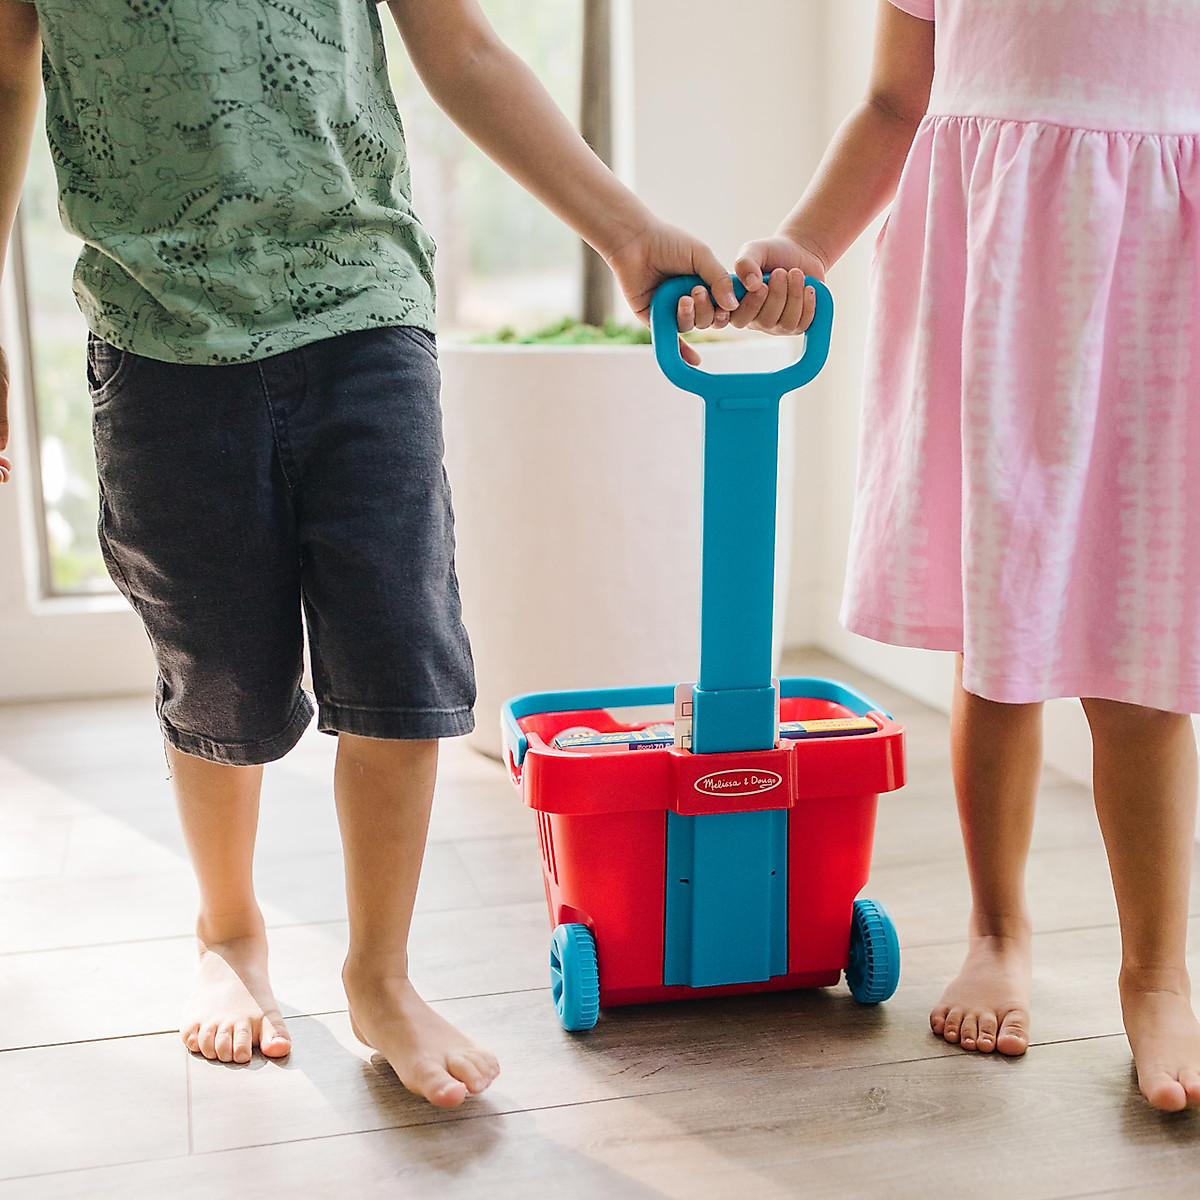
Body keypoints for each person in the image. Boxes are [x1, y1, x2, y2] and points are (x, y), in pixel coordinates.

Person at [0, 0, 737, 1108]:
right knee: (220, 675)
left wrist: (625, 230)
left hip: (360, 309)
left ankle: (380, 973)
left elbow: (465, 46)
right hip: (160, 335)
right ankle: (231, 928)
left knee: (401, 657)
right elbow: (8, 74)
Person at [680, 0, 1200, 1112]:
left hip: (1165, 267)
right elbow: (891, 100)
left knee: (1148, 638)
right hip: (1000, 268)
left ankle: (1158, 973)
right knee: (999, 623)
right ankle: (998, 932)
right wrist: (809, 241)